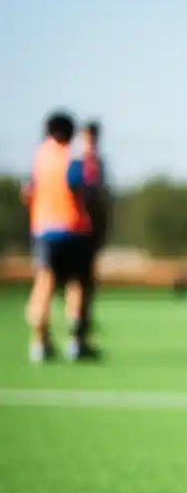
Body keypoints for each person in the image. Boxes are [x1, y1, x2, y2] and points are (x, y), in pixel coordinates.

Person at [22, 112, 101, 362]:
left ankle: (39, 342)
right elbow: (82, 186)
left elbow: (27, 192)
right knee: (77, 284)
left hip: (45, 230)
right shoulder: (74, 156)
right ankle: (77, 341)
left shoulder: (40, 156)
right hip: (75, 228)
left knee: (44, 284)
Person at [64, 121, 110, 339]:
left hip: (91, 231)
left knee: (86, 281)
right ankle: (74, 323)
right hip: (74, 230)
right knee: (76, 280)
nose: (92, 143)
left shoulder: (98, 163)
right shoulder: (75, 163)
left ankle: (80, 326)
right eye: (89, 138)